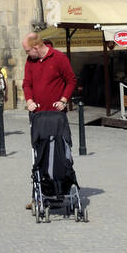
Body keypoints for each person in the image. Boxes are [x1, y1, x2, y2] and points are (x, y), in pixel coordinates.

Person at [21, 33, 76, 211]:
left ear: (36, 47)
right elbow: (26, 84)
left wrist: (64, 100)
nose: (27, 54)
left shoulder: (59, 58)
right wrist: (29, 101)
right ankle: (38, 194)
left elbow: (71, 80)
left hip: (56, 116)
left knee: (60, 151)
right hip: (38, 115)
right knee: (39, 154)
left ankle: (62, 188)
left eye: (28, 50)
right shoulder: (30, 62)